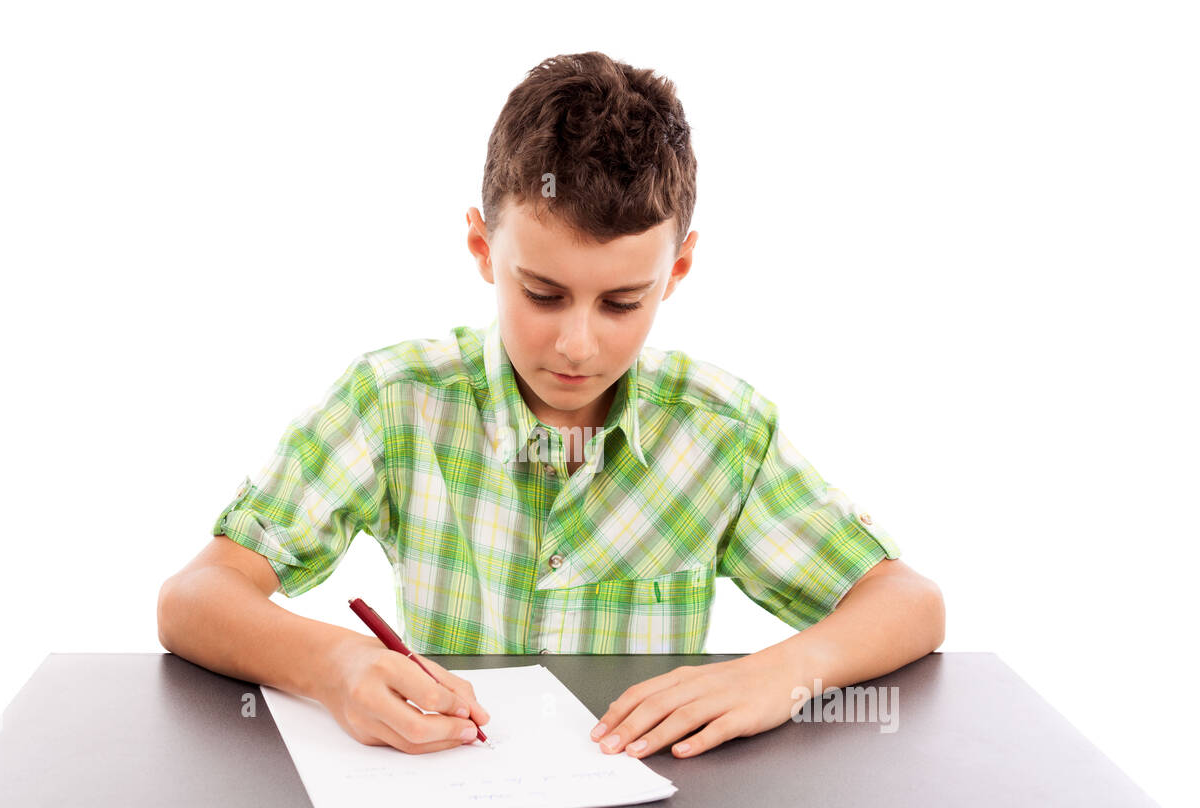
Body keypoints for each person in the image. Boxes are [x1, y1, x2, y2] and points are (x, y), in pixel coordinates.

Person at [157, 51, 945, 761]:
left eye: (621, 303)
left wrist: (782, 672)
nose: (576, 344)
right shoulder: (396, 402)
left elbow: (909, 604)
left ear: (677, 270)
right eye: (542, 292)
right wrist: (333, 665)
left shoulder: (719, 432)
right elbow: (195, 597)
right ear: (481, 249)